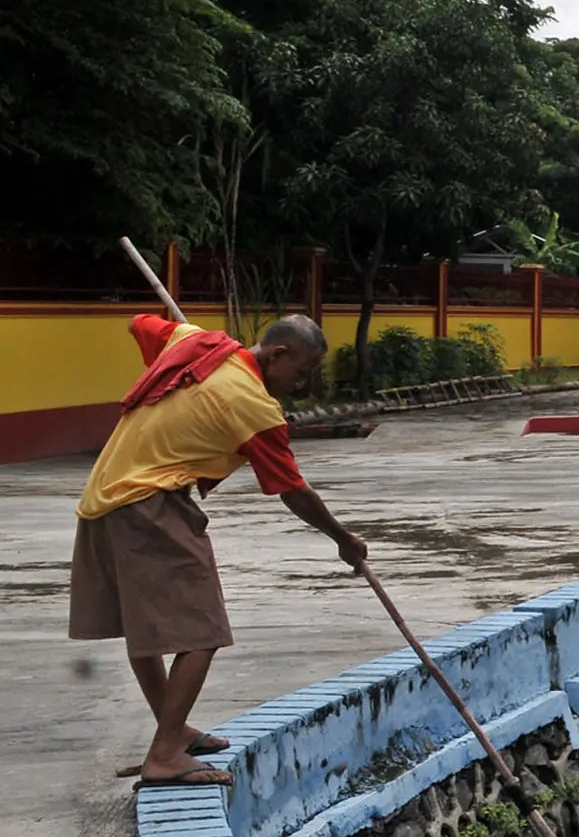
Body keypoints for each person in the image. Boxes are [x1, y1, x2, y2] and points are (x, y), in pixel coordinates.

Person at [70, 312, 367, 788]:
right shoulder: (253, 406)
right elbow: (293, 491)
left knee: (142, 630)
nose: (303, 384)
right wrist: (344, 539)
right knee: (202, 631)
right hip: (151, 502)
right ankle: (165, 753)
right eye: (303, 372)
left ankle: (174, 730)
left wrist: (193, 349)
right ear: (277, 354)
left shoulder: (198, 343)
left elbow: (143, 324)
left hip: (104, 496)